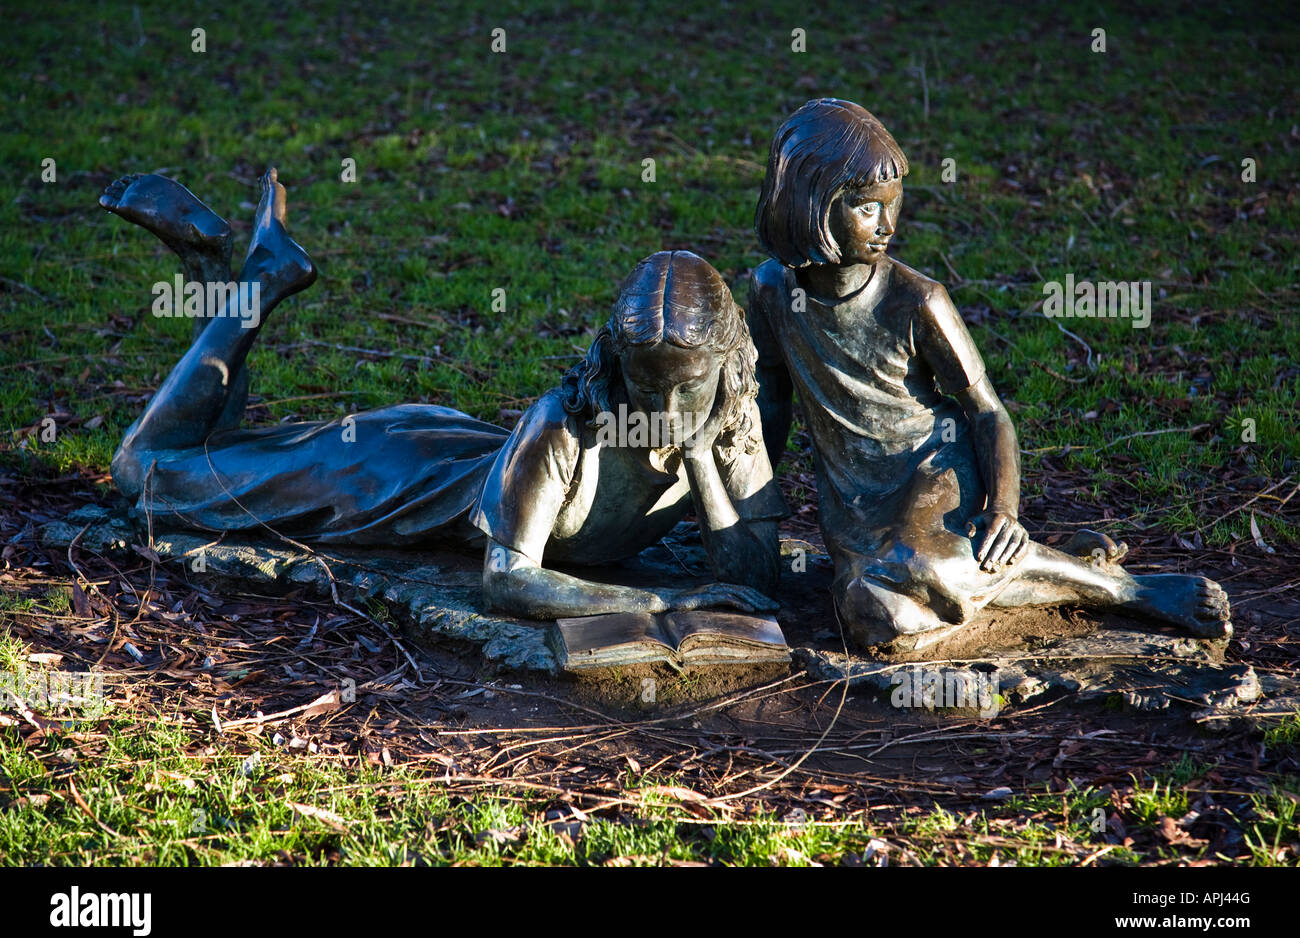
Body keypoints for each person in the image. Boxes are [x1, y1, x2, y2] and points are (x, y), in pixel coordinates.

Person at [103, 170, 783, 620]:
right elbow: (509, 579)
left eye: (687, 386)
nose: (665, 411)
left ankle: (217, 267)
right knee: (147, 471)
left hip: (444, 447)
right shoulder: (564, 426)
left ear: (727, 366)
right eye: (647, 386)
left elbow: (753, 579)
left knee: (216, 453)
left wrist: (699, 456)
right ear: (615, 363)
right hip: (385, 479)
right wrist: (665, 601)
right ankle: (260, 279)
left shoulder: (731, 416)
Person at [747, 98, 1232, 652]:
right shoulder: (772, 291)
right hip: (855, 501)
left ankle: (1127, 589)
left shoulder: (917, 299)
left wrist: (1003, 509)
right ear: (809, 205)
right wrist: (751, 501)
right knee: (872, 616)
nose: (887, 226)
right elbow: (771, 403)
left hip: (934, 471)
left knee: (917, 567)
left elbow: (986, 411)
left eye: (894, 205)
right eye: (865, 208)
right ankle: (1044, 566)